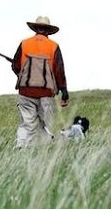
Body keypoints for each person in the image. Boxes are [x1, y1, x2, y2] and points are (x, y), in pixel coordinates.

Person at [11, 16, 69, 147]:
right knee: (46, 124)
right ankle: (45, 149)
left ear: (35, 28)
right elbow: (59, 70)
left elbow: (15, 66)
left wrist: (25, 74)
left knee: (27, 123)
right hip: (46, 93)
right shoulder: (53, 46)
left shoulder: (24, 43)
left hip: (25, 91)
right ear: (48, 31)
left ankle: (22, 146)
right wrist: (64, 91)